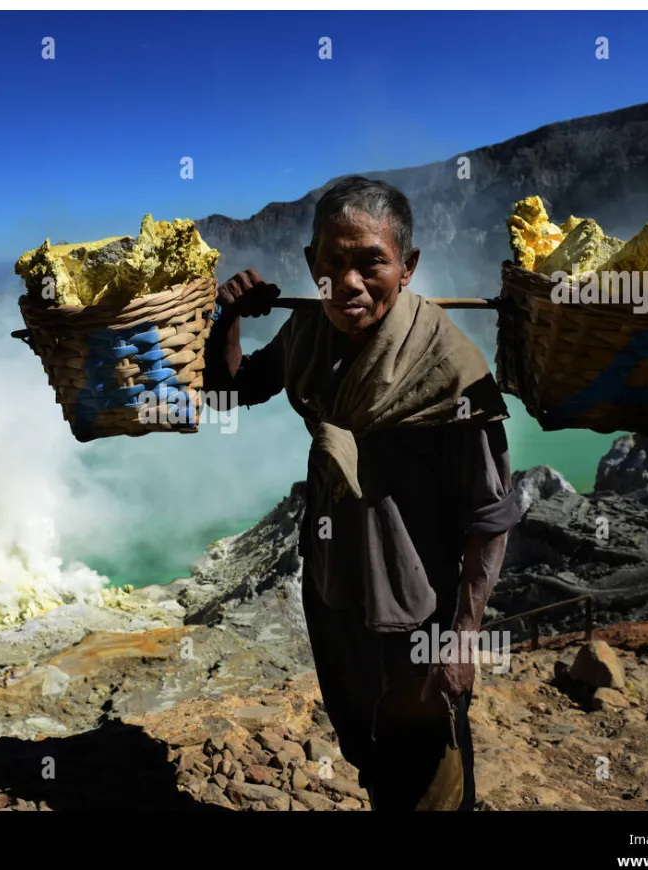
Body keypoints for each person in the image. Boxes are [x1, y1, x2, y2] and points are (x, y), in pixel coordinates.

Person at [202, 176, 519, 810]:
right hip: (334, 592)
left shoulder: (450, 369)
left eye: (371, 261)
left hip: (417, 614)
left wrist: (462, 635)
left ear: (408, 268)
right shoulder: (307, 335)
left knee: (432, 771)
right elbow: (227, 392)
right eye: (333, 262)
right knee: (371, 750)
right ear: (310, 265)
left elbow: (491, 515)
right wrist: (228, 317)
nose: (348, 283)